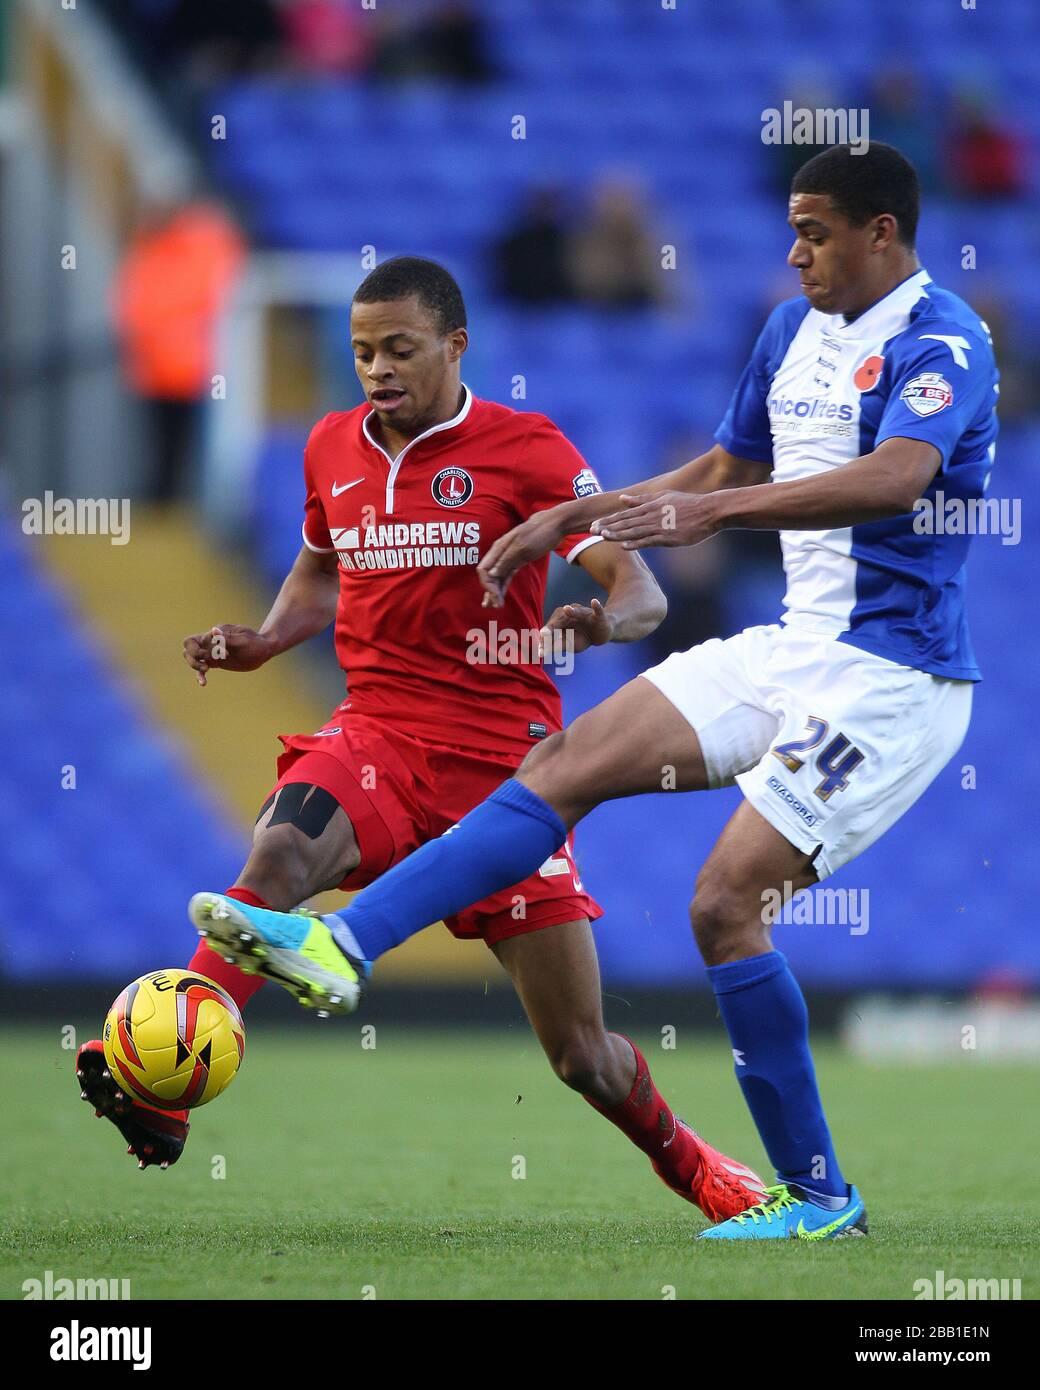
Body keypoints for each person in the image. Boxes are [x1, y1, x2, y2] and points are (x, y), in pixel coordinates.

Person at [214, 145, 999, 1241]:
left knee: (723, 908)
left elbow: (898, 476)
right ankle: (342, 947)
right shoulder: (787, 333)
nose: (792, 252)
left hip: (891, 679)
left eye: (813, 232)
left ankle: (820, 1199)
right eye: (790, 227)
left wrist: (710, 519)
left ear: (881, 232)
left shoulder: (942, 340)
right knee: (559, 765)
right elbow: (716, 471)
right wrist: (571, 520)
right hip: (787, 646)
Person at [77, 257, 767, 1224]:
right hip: (379, 736)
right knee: (276, 857)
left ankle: (700, 1169)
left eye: (399, 349)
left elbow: (641, 589)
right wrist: (268, 639)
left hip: (512, 776)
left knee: (581, 1054)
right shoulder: (330, 447)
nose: (377, 369)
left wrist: (592, 621)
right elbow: (321, 570)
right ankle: (162, 1092)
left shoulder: (523, 449)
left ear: (456, 344)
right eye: (362, 352)